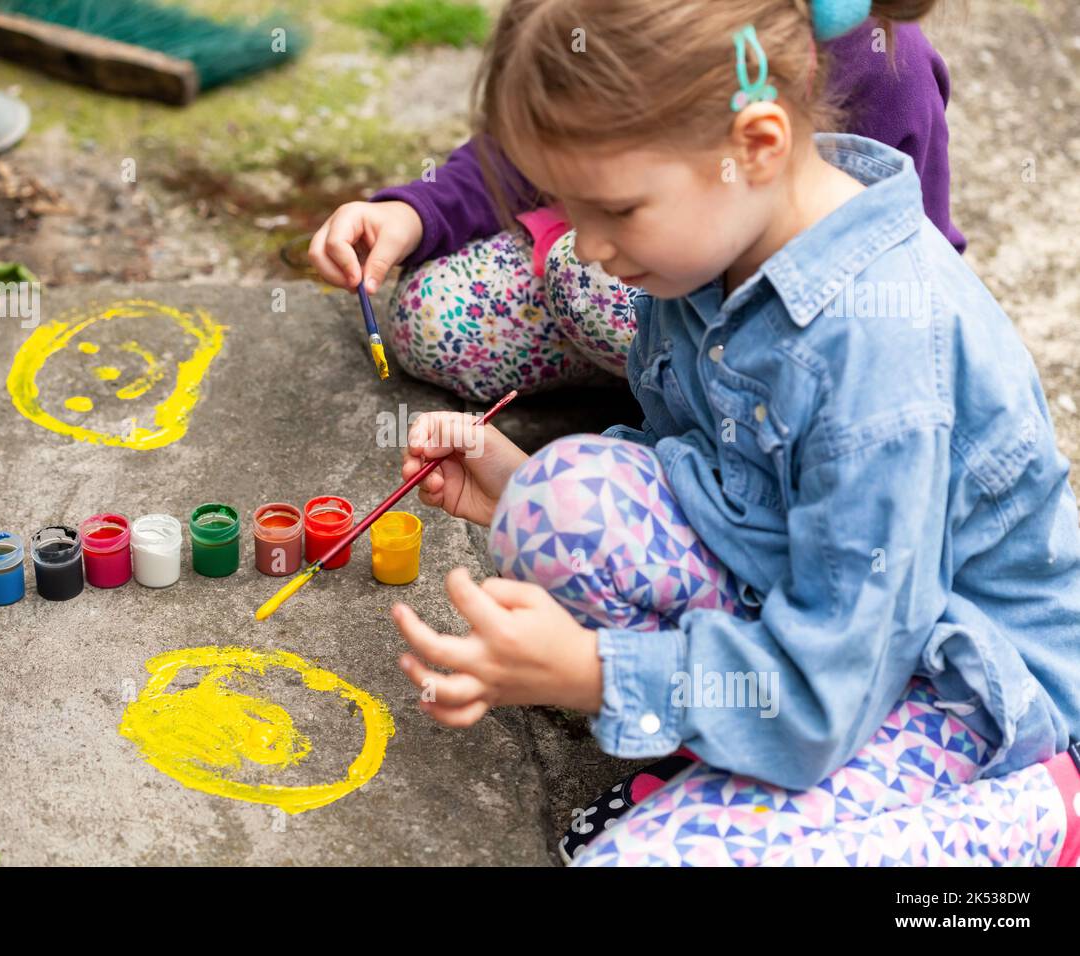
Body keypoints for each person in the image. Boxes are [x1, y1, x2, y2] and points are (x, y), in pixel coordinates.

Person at [384, 0, 1080, 866]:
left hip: (959, 685)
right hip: (836, 619)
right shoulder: (714, 253)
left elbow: (836, 685)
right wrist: (518, 475)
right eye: (571, 207)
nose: (587, 247)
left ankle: (1032, 821)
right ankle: (739, 761)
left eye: (617, 210)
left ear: (755, 144)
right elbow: (725, 471)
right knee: (555, 506)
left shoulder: (876, 353)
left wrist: (599, 674)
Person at [311, 6, 964, 402]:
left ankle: (692, 403)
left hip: (788, 331)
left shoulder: (880, 62)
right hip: (656, 278)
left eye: (617, 209)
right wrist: (418, 211)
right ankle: (660, 382)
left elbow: (921, 260)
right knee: (429, 320)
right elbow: (543, 140)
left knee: (584, 271)